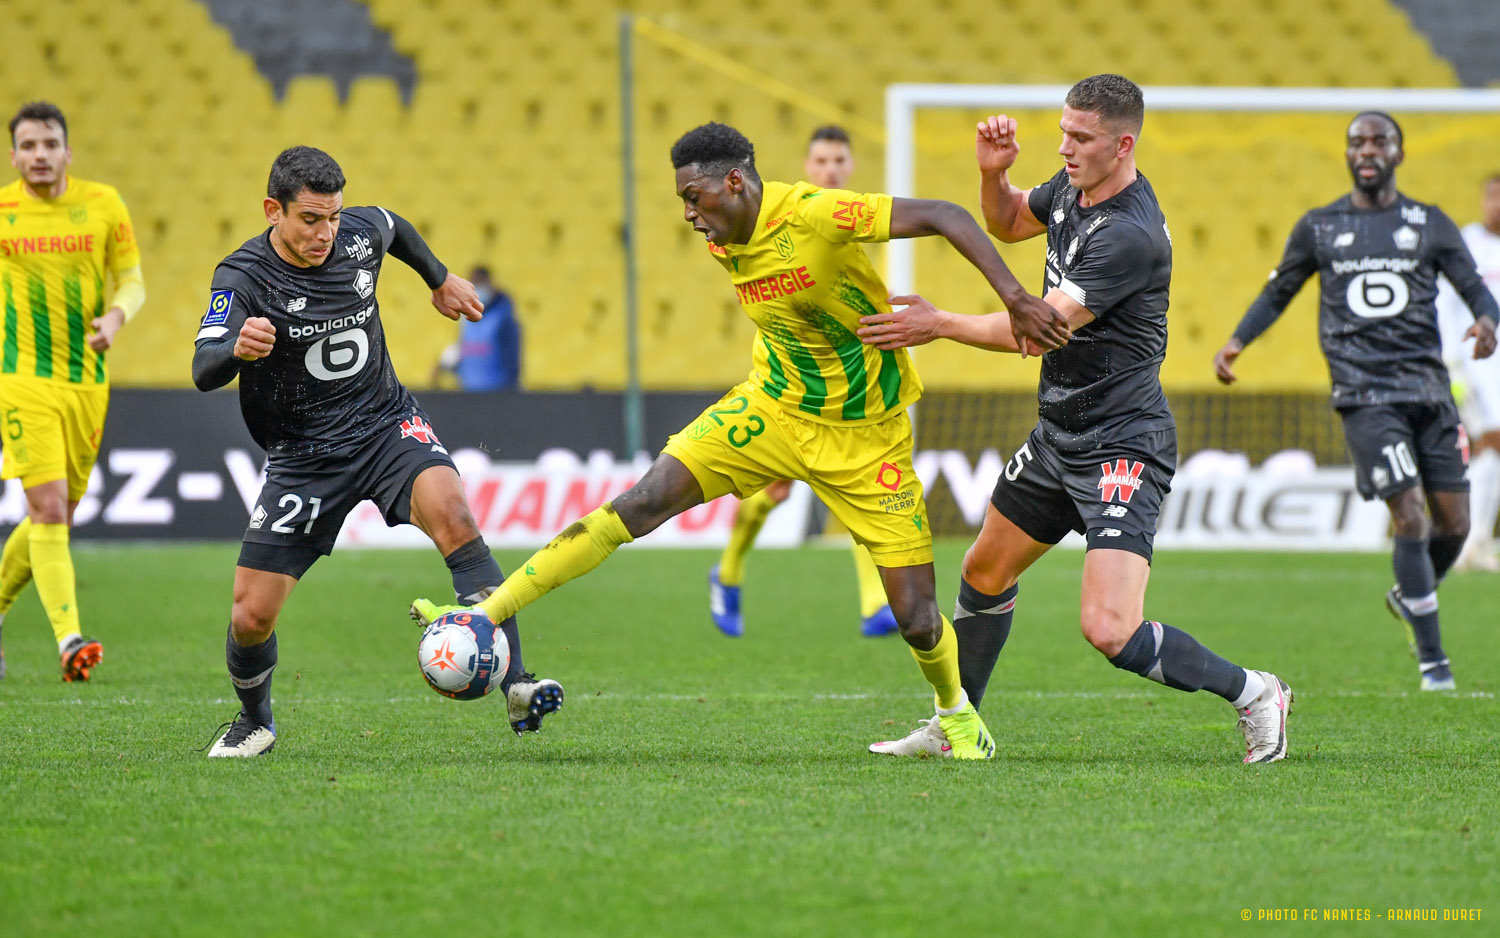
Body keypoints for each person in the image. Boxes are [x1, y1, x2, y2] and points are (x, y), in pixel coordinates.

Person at [411, 121, 1071, 760]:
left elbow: (947, 214)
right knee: (641, 502)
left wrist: (1015, 298)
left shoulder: (816, 214)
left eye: (693, 199)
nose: (690, 216)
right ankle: (485, 615)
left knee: (919, 617)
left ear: (734, 183)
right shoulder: (723, 233)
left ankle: (956, 716)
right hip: (770, 410)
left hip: (865, 434)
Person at [860, 74, 1293, 763]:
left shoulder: (1129, 235)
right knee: (983, 572)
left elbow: (1036, 333)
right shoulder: (1072, 187)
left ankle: (1254, 692)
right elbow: (1005, 222)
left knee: (1109, 630)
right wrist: (991, 176)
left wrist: (937, 322)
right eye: (1062, 131)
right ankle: (956, 726)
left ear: (1123, 145)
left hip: (1122, 443)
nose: (1064, 147)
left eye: (1080, 138)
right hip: (1059, 433)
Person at [193, 146, 563, 756]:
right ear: (273, 211)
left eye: (333, 217)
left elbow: (394, 226)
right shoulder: (243, 277)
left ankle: (517, 684)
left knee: (455, 514)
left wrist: (439, 278)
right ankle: (254, 718)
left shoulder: (357, 236)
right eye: (310, 219)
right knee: (250, 616)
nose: (326, 233)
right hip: (304, 456)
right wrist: (236, 346)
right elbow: (203, 368)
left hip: (385, 425)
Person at [1214, 111, 1498, 692]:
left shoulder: (1429, 223)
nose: (1367, 150)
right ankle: (1434, 665)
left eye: (1379, 141)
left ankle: (1410, 593)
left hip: (1430, 391)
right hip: (1364, 395)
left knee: (1457, 524)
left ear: (1398, 152)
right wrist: (1238, 340)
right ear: (1348, 155)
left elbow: (1474, 287)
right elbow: (1280, 290)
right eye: (1357, 142)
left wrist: (1488, 321)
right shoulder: (1320, 226)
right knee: (1410, 515)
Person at [709, 124, 898, 639]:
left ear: (850, 167)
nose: (831, 169)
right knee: (772, 493)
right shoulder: (792, 215)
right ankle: (726, 573)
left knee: (856, 484)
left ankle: (874, 603)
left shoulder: (849, 217)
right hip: (790, 381)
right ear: (808, 166)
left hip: (846, 380)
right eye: (822, 161)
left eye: (840, 160)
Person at [0, 101, 145, 683]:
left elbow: (132, 278)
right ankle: (70, 640)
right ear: (14, 156)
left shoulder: (103, 204)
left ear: (67, 151)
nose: (39, 155)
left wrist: (115, 317)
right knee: (48, 506)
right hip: (22, 377)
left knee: (54, 518)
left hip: (86, 379)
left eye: (49, 144)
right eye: (28, 146)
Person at [1435, 174, 1500, 572]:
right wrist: (1449, 361)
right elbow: (1443, 306)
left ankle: (1476, 541)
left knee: (1489, 454)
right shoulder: (1467, 244)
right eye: (1492, 196)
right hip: (1472, 368)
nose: (1496, 204)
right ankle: (1469, 541)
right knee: (1488, 446)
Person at [433, 265, 521, 391]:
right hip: (468, 390)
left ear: (488, 283)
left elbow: (512, 358)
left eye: (478, 283)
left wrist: (509, 390)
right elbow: (463, 347)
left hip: (497, 392)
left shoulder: (504, 317)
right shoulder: (466, 317)